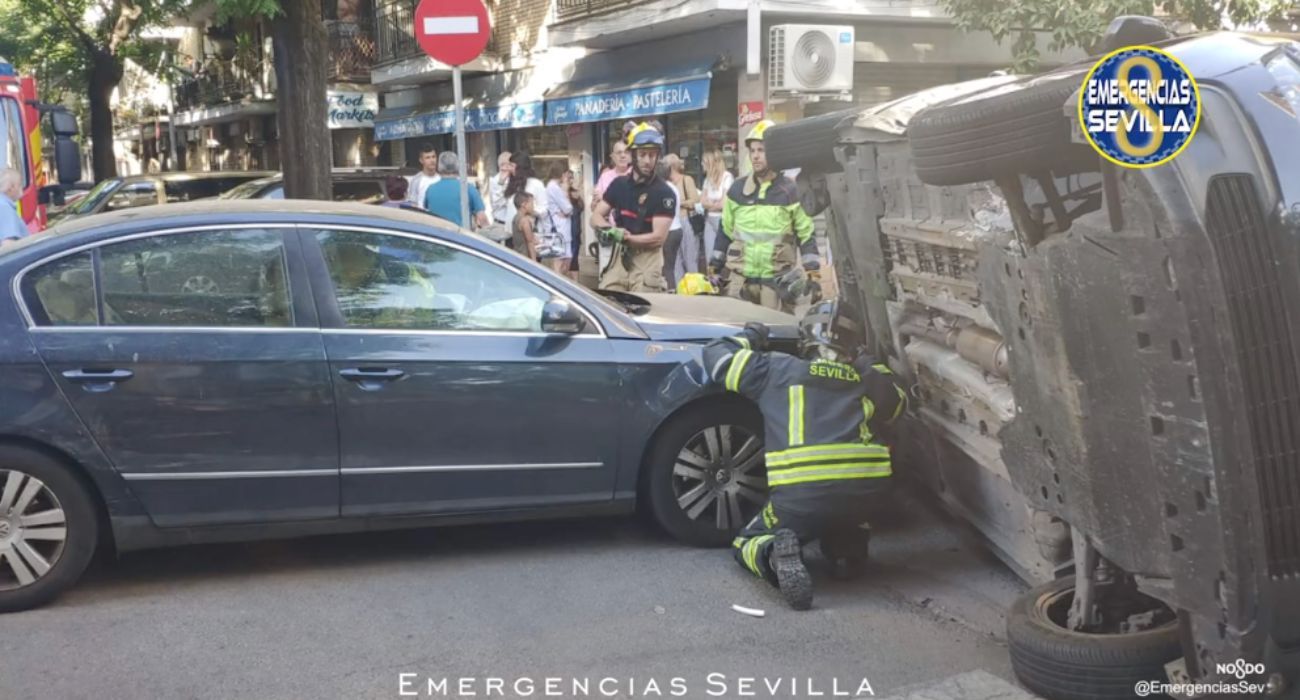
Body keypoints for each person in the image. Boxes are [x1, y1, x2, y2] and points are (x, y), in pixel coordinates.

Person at [703, 300, 908, 610]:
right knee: (845, 513)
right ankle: (847, 553)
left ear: (805, 338)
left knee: (747, 541)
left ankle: (772, 555)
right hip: (867, 493)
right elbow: (897, 405)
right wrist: (865, 360)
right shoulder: (863, 378)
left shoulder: (775, 369)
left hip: (802, 495)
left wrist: (751, 336)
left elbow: (716, 358)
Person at [708, 120, 820, 312]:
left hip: (775, 282)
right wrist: (714, 266)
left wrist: (813, 271)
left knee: (774, 335)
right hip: (740, 281)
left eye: (762, 150)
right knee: (740, 335)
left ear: (776, 154)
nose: (756, 156)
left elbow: (806, 233)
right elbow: (725, 231)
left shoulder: (790, 191)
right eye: (753, 151)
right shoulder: (737, 190)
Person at [589, 121, 676, 293]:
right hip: (619, 256)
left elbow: (658, 238)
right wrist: (608, 230)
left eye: (652, 155)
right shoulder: (618, 184)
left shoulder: (664, 193)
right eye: (642, 154)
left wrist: (627, 238)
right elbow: (596, 216)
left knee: (644, 308)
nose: (647, 161)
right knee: (608, 299)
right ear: (633, 155)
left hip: (647, 259)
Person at [423, 152, 488, 230]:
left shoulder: (430, 190)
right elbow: (482, 218)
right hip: (461, 238)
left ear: (439, 167)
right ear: (457, 167)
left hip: (437, 238)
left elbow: (426, 210)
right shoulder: (468, 188)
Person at [665, 154, 701, 283]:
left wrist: (679, 203)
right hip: (672, 225)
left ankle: (695, 291)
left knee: (690, 260)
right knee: (675, 261)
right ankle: (679, 291)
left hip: (686, 221)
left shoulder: (687, 180)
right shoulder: (666, 183)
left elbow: (695, 200)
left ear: (671, 167)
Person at [700, 149, 734, 269]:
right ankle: (711, 282)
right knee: (710, 256)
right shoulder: (707, 180)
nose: (702, 165)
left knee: (722, 255)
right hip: (709, 220)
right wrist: (715, 204)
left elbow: (723, 204)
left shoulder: (727, 177)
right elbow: (702, 201)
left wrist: (711, 205)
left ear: (711, 163)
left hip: (722, 221)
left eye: (704, 162)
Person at [544, 162, 575, 275]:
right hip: (559, 228)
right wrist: (566, 190)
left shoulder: (553, 187)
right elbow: (568, 208)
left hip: (562, 228)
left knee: (566, 259)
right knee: (560, 261)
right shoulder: (554, 188)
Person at [659, 160, 685, 290]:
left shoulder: (663, 188)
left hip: (668, 231)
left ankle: (670, 292)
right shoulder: (673, 187)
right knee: (670, 267)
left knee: (666, 268)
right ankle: (672, 290)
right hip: (676, 229)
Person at [405, 143, 440, 208]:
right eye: (428, 158)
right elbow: (412, 204)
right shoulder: (416, 180)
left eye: (433, 157)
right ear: (421, 160)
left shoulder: (441, 178)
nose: (432, 160)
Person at [1, 169, 29, 245]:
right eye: (19, 184)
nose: (21, 188)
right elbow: (9, 245)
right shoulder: (4, 207)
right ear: (11, 188)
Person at [488, 151, 513, 226]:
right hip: (501, 223)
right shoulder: (495, 181)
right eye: (511, 165)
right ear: (503, 166)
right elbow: (498, 203)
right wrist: (501, 183)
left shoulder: (514, 179)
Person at [511, 191, 538, 260]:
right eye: (531, 204)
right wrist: (534, 261)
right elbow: (530, 242)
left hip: (517, 254)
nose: (533, 206)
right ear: (524, 205)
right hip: (524, 256)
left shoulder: (515, 218)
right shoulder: (524, 221)